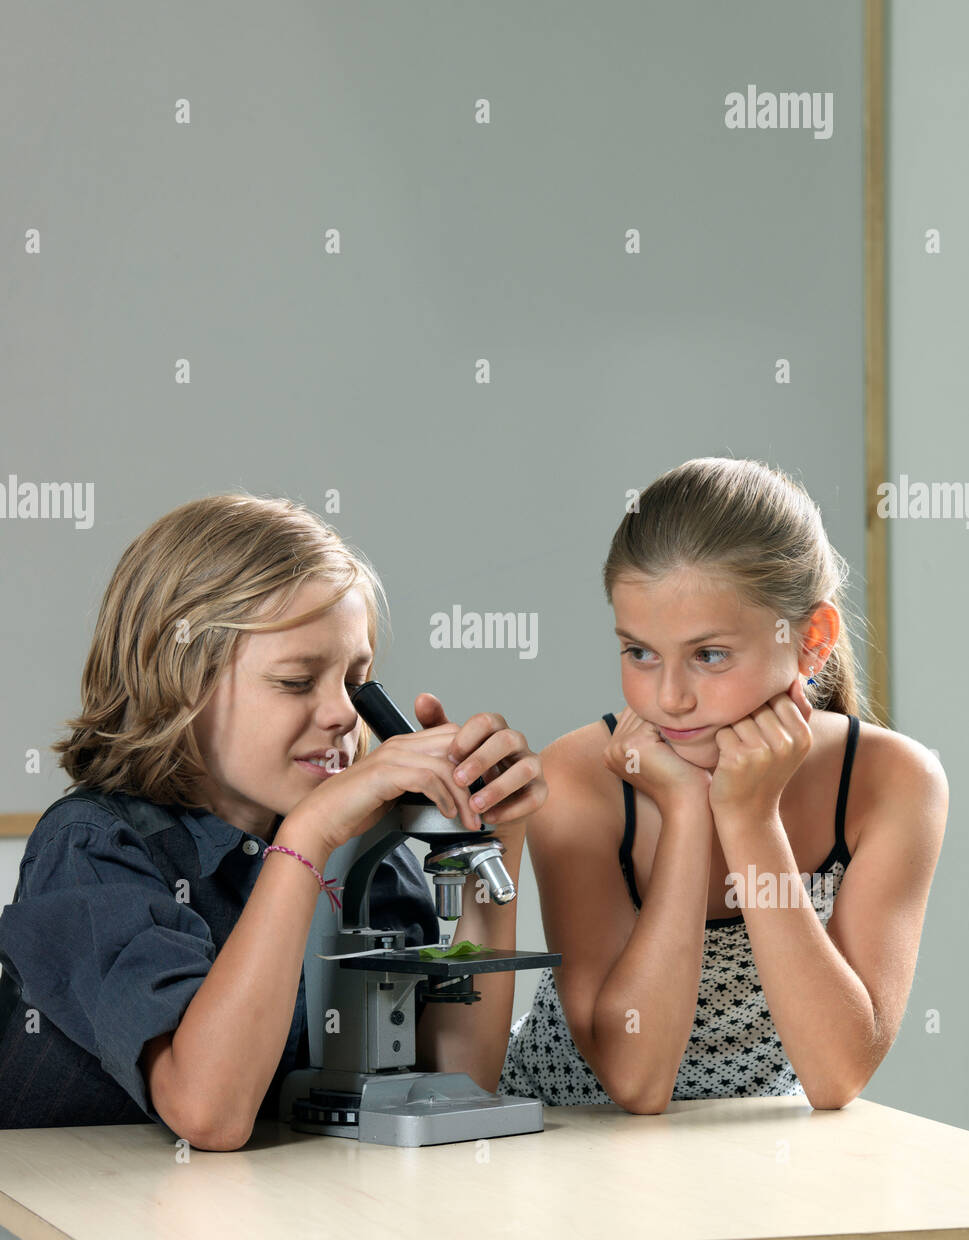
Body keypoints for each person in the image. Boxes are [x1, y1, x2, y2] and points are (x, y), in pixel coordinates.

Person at [0, 493, 546, 1147]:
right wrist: (308, 841)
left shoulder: (368, 854)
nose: (344, 714)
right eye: (295, 681)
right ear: (179, 683)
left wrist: (493, 838)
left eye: (357, 680)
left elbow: (454, 1079)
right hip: (83, 1230)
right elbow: (208, 1112)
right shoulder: (92, 849)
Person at [496, 457, 948, 1113]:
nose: (668, 698)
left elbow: (836, 1074)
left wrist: (748, 819)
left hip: (758, 1157)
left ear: (811, 639)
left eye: (708, 655)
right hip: (570, 1139)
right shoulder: (579, 777)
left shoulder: (890, 781)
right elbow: (635, 1081)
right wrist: (685, 811)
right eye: (638, 653)